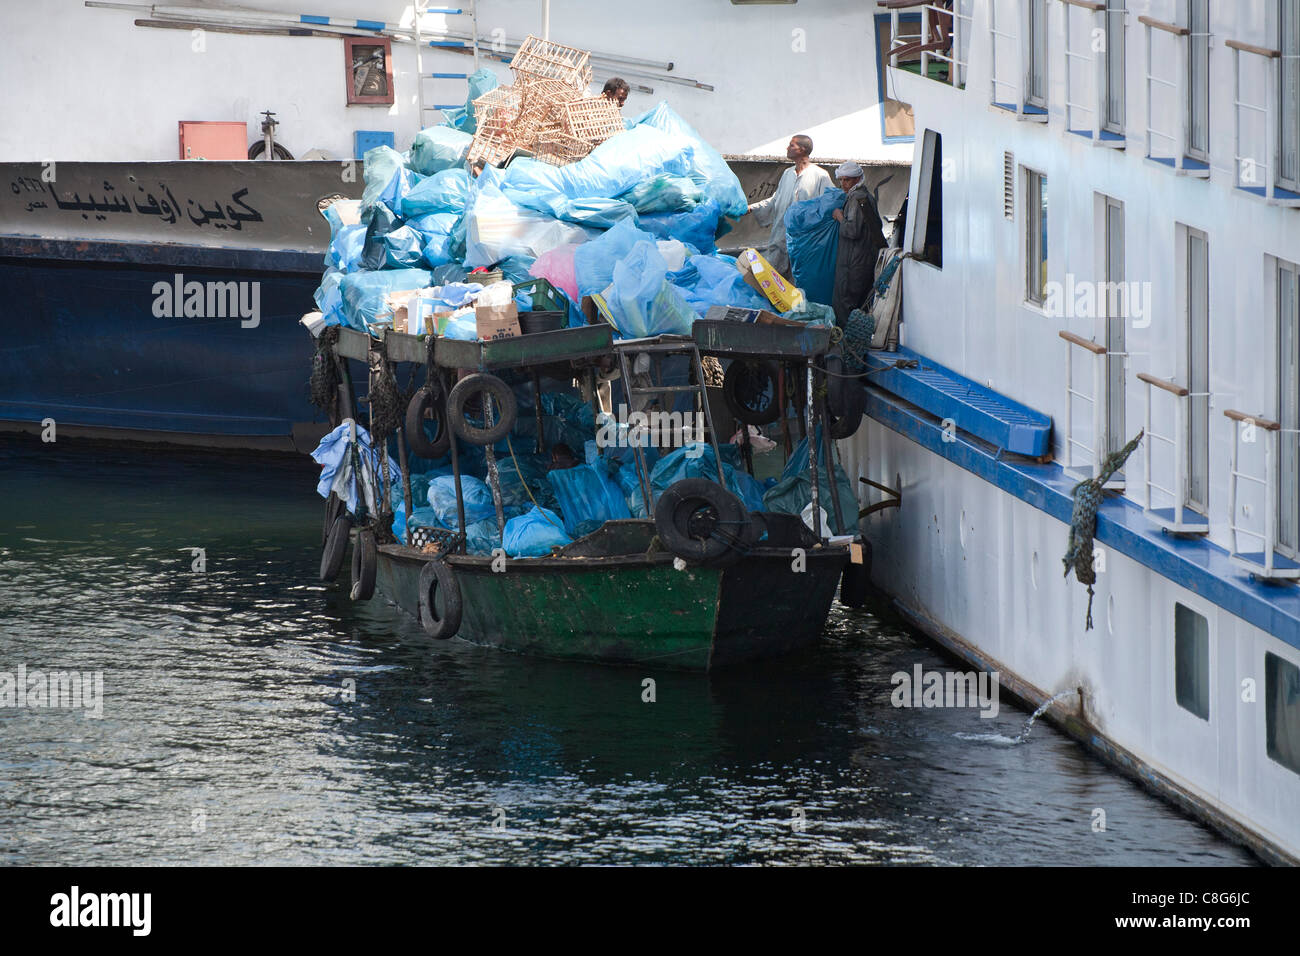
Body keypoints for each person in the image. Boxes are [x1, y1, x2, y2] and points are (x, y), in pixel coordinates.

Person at [746, 134, 831, 278]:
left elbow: (829, 204)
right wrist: (751, 208)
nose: (787, 148)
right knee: (775, 279)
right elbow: (776, 200)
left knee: (799, 279)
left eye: (792, 145)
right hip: (781, 238)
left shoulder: (820, 176)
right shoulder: (787, 174)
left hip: (805, 241)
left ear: (802, 149)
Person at [830, 160, 886, 322]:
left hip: (852, 263)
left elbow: (852, 231)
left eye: (847, 180)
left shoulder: (856, 198)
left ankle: (845, 336)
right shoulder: (867, 197)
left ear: (857, 179)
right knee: (861, 306)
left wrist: (839, 216)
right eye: (841, 180)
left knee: (844, 304)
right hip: (865, 261)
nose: (843, 184)